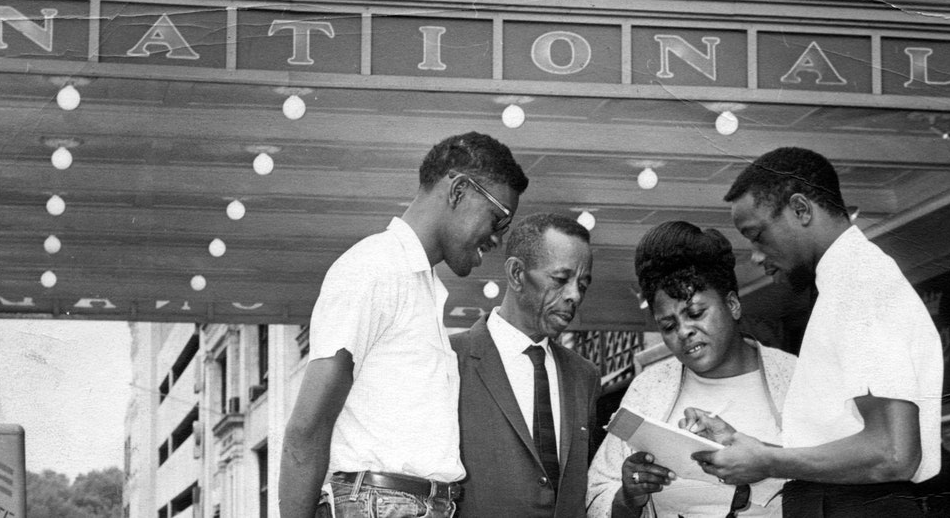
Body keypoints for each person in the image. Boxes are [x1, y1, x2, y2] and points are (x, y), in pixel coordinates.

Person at [278, 132, 529, 518]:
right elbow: (306, 431)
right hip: (379, 506)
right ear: (459, 190)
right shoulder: (374, 269)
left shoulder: (418, 284)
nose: (497, 238)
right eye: (497, 219)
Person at [688, 147, 943, 517]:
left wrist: (769, 462)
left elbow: (893, 452)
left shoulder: (860, 282)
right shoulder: (846, 282)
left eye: (757, 235)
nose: (756, 256)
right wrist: (748, 448)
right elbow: (846, 441)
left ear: (801, 209)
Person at [587, 221, 796, 518]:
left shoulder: (793, 378)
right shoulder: (649, 388)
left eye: (696, 313)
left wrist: (765, 462)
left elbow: (837, 477)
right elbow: (596, 495)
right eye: (668, 326)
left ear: (733, 304)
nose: (684, 331)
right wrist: (628, 497)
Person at [449, 213, 601, 517]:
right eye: (560, 280)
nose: (574, 295)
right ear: (517, 274)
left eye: (582, 285)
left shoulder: (585, 376)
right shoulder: (449, 359)